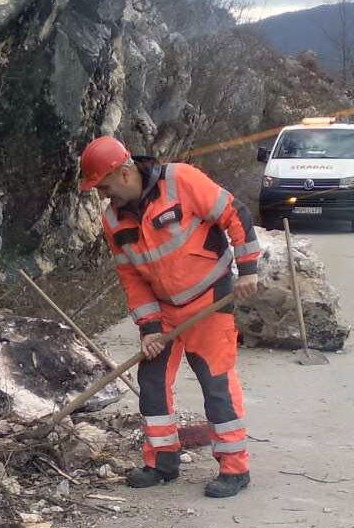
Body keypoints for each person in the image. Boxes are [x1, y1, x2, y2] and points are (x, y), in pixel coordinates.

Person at [78, 136, 262, 498]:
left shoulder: (181, 180)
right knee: (152, 384)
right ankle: (162, 463)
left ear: (125, 172)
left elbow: (235, 214)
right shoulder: (113, 221)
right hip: (163, 312)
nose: (102, 195)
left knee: (217, 387)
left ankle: (234, 468)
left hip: (209, 299)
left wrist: (248, 268)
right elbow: (131, 278)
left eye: (104, 186)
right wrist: (148, 328)